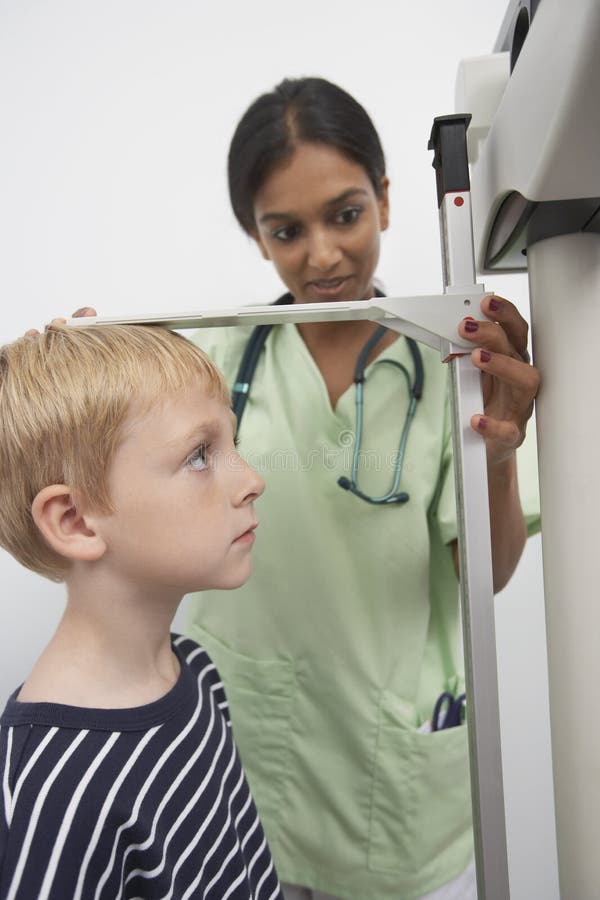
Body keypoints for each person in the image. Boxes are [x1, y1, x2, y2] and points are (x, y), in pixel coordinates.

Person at [182, 77, 540, 900]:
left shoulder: (453, 361)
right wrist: (83, 364)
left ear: (385, 196)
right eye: (286, 230)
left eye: (345, 214)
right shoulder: (210, 358)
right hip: (240, 752)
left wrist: (497, 453)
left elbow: (482, 577)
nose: (321, 255)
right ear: (255, 235)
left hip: (382, 767)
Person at [0, 323, 282, 900]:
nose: (252, 480)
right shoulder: (55, 786)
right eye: (201, 455)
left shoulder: (196, 671)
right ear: (76, 521)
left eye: (233, 442)